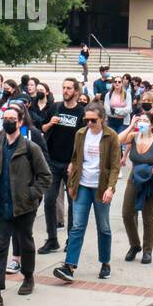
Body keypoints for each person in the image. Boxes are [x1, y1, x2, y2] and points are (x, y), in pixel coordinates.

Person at [0, 103, 50, 306]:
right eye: (5, 118)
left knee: (25, 243)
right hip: (1, 206)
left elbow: (45, 176)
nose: (7, 121)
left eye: (11, 119)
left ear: (20, 122)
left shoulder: (30, 148)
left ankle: (28, 276)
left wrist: (31, 194)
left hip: (24, 207)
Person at [53, 103, 120, 283]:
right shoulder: (81, 133)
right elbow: (75, 158)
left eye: (93, 120)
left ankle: (105, 262)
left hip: (101, 187)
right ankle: (70, 266)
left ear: (102, 119)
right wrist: (72, 178)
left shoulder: (111, 136)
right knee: (77, 226)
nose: (89, 123)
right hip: (82, 185)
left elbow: (115, 165)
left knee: (103, 227)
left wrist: (110, 188)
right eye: (86, 119)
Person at [39, 77, 86, 255]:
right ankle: (52, 240)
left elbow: (83, 141)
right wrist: (51, 122)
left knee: (73, 204)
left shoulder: (82, 112)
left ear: (76, 91)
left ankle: (70, 240)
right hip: (52, 162)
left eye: (69, 88)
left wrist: (75, 162)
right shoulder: (55, 107)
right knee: (49, 201)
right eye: (64, 87)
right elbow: (41, 128)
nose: (65, 91)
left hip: (71, 165)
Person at [116, 108, 153, 265]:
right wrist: (131, 125)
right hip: (134, 178)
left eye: (145, 121)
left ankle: (147, 250)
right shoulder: (134, 136)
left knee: (147, 217)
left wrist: (149, 170)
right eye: (141, 121)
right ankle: (135, 245)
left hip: (150, 180)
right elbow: (118, 140)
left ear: (152, 125)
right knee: (127, 213)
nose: (142, 124)